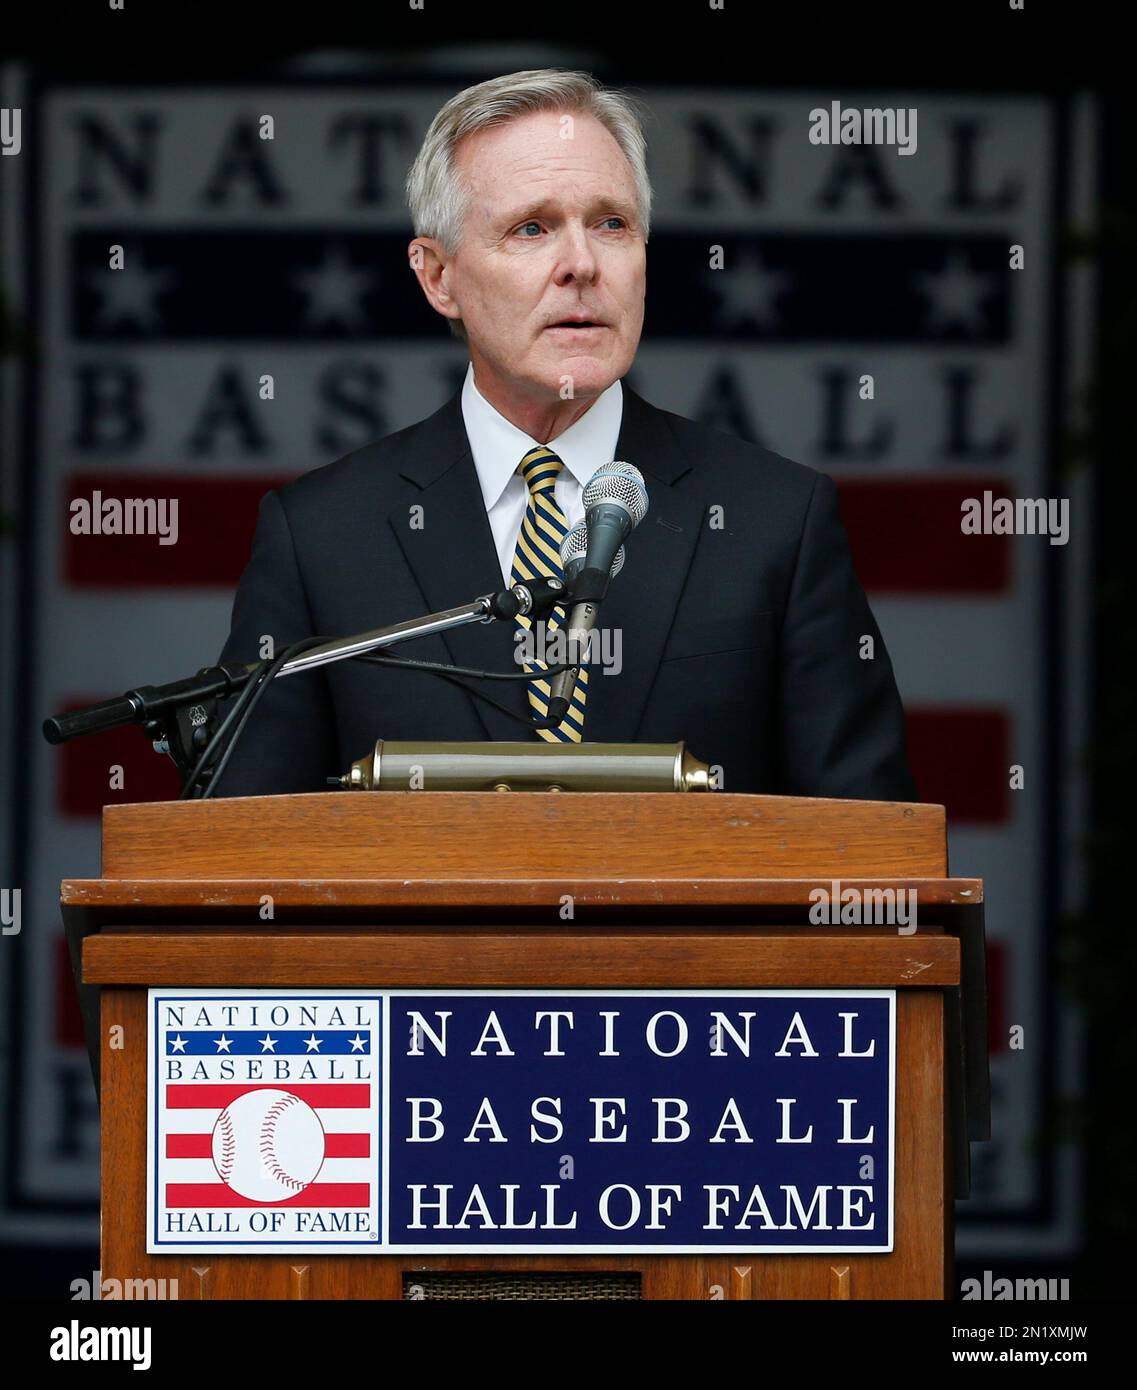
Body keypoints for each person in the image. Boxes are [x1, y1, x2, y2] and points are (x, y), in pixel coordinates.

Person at [212, 68, 916, 801]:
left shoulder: (777, 519)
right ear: (438, 276)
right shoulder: (323, 534)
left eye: (611, 224)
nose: (581, 264)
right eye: (531, 228)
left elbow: (869, 847)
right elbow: (244, 852)